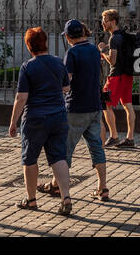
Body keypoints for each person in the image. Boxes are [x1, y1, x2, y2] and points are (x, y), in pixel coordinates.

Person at [40, 19, 110, 202]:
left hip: (76, 108)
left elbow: (66, 83)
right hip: (95, 106)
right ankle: (102, 187)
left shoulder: (72, 53)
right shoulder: (94, 50)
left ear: (69, 37)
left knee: (64, 149)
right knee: (96, 148)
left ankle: (56, 185)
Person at [8, 26, 73, 215]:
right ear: (45, 42)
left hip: (35, 118)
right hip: (58, 117)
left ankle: (31, 200)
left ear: (29, 46)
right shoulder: (58, 63)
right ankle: (66, 198)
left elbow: (21, 97)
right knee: (58, 157)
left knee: (30, 159)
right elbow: (66, 89)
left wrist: (13, 122)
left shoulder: (28, 66)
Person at [99, 9, 138, 148]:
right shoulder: (123, 35)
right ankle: (130, 138)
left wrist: (103, 52)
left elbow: (113, 61)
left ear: (113, 21)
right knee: (128, 105)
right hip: (127, 75)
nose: (103, 23)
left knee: (105, 103)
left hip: (116, 76)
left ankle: (114, 136)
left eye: (105, 20)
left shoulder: (114, 38)